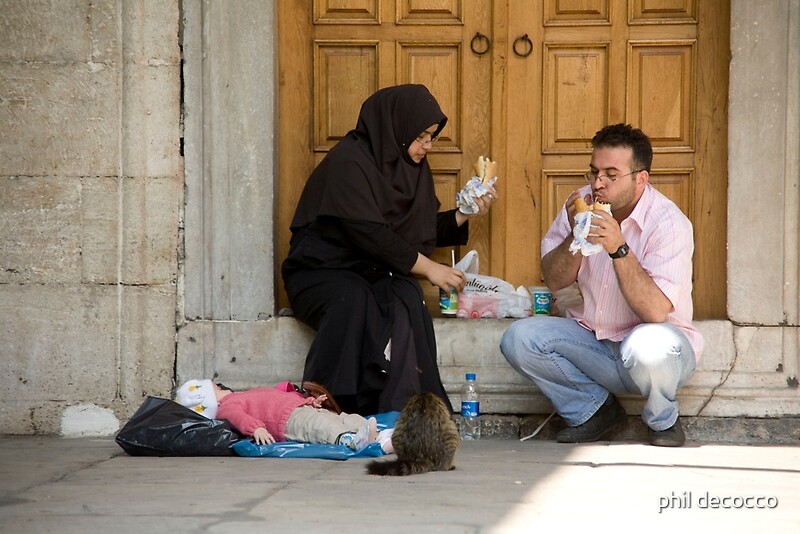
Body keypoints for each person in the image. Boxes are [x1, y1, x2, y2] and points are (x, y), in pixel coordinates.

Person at [282, 84, 497, 415]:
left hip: (370, 270)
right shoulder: (348, 163)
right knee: (353, 300)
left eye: (432, 137)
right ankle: (325, 406)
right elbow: (369, 232)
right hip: (319, 272)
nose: (427, 146)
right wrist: (430, 268)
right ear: (395, 127)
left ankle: (410, 410)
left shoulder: (407, 167)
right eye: (421, 136)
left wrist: (462, 214)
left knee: (406, 296)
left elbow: (413, 231)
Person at [500, 123, 703, 447]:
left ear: (641, 178)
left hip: (653, 349)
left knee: (651, 346)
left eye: (611, 174)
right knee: (519, 339)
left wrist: (618, 248)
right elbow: (554, 278)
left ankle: (663, 421)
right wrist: (574, 235)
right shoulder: (581, 202)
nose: (598, 184)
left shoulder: (669, 222)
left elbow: (654, 311)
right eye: (594, 172)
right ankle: (594, 412)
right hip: (593, 341)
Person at [175, 379, 380, 450]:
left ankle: (374, 433)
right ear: (212, 400)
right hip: (288, 421)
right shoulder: (227, 406)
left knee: (341, 417)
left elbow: (280, 398)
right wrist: (257, 427)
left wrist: (310, 401)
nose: (222, 386)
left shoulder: (242, 395)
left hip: (300, 409)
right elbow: (237, 418)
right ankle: (349, 441)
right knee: (321, 428)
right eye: (217, 387)